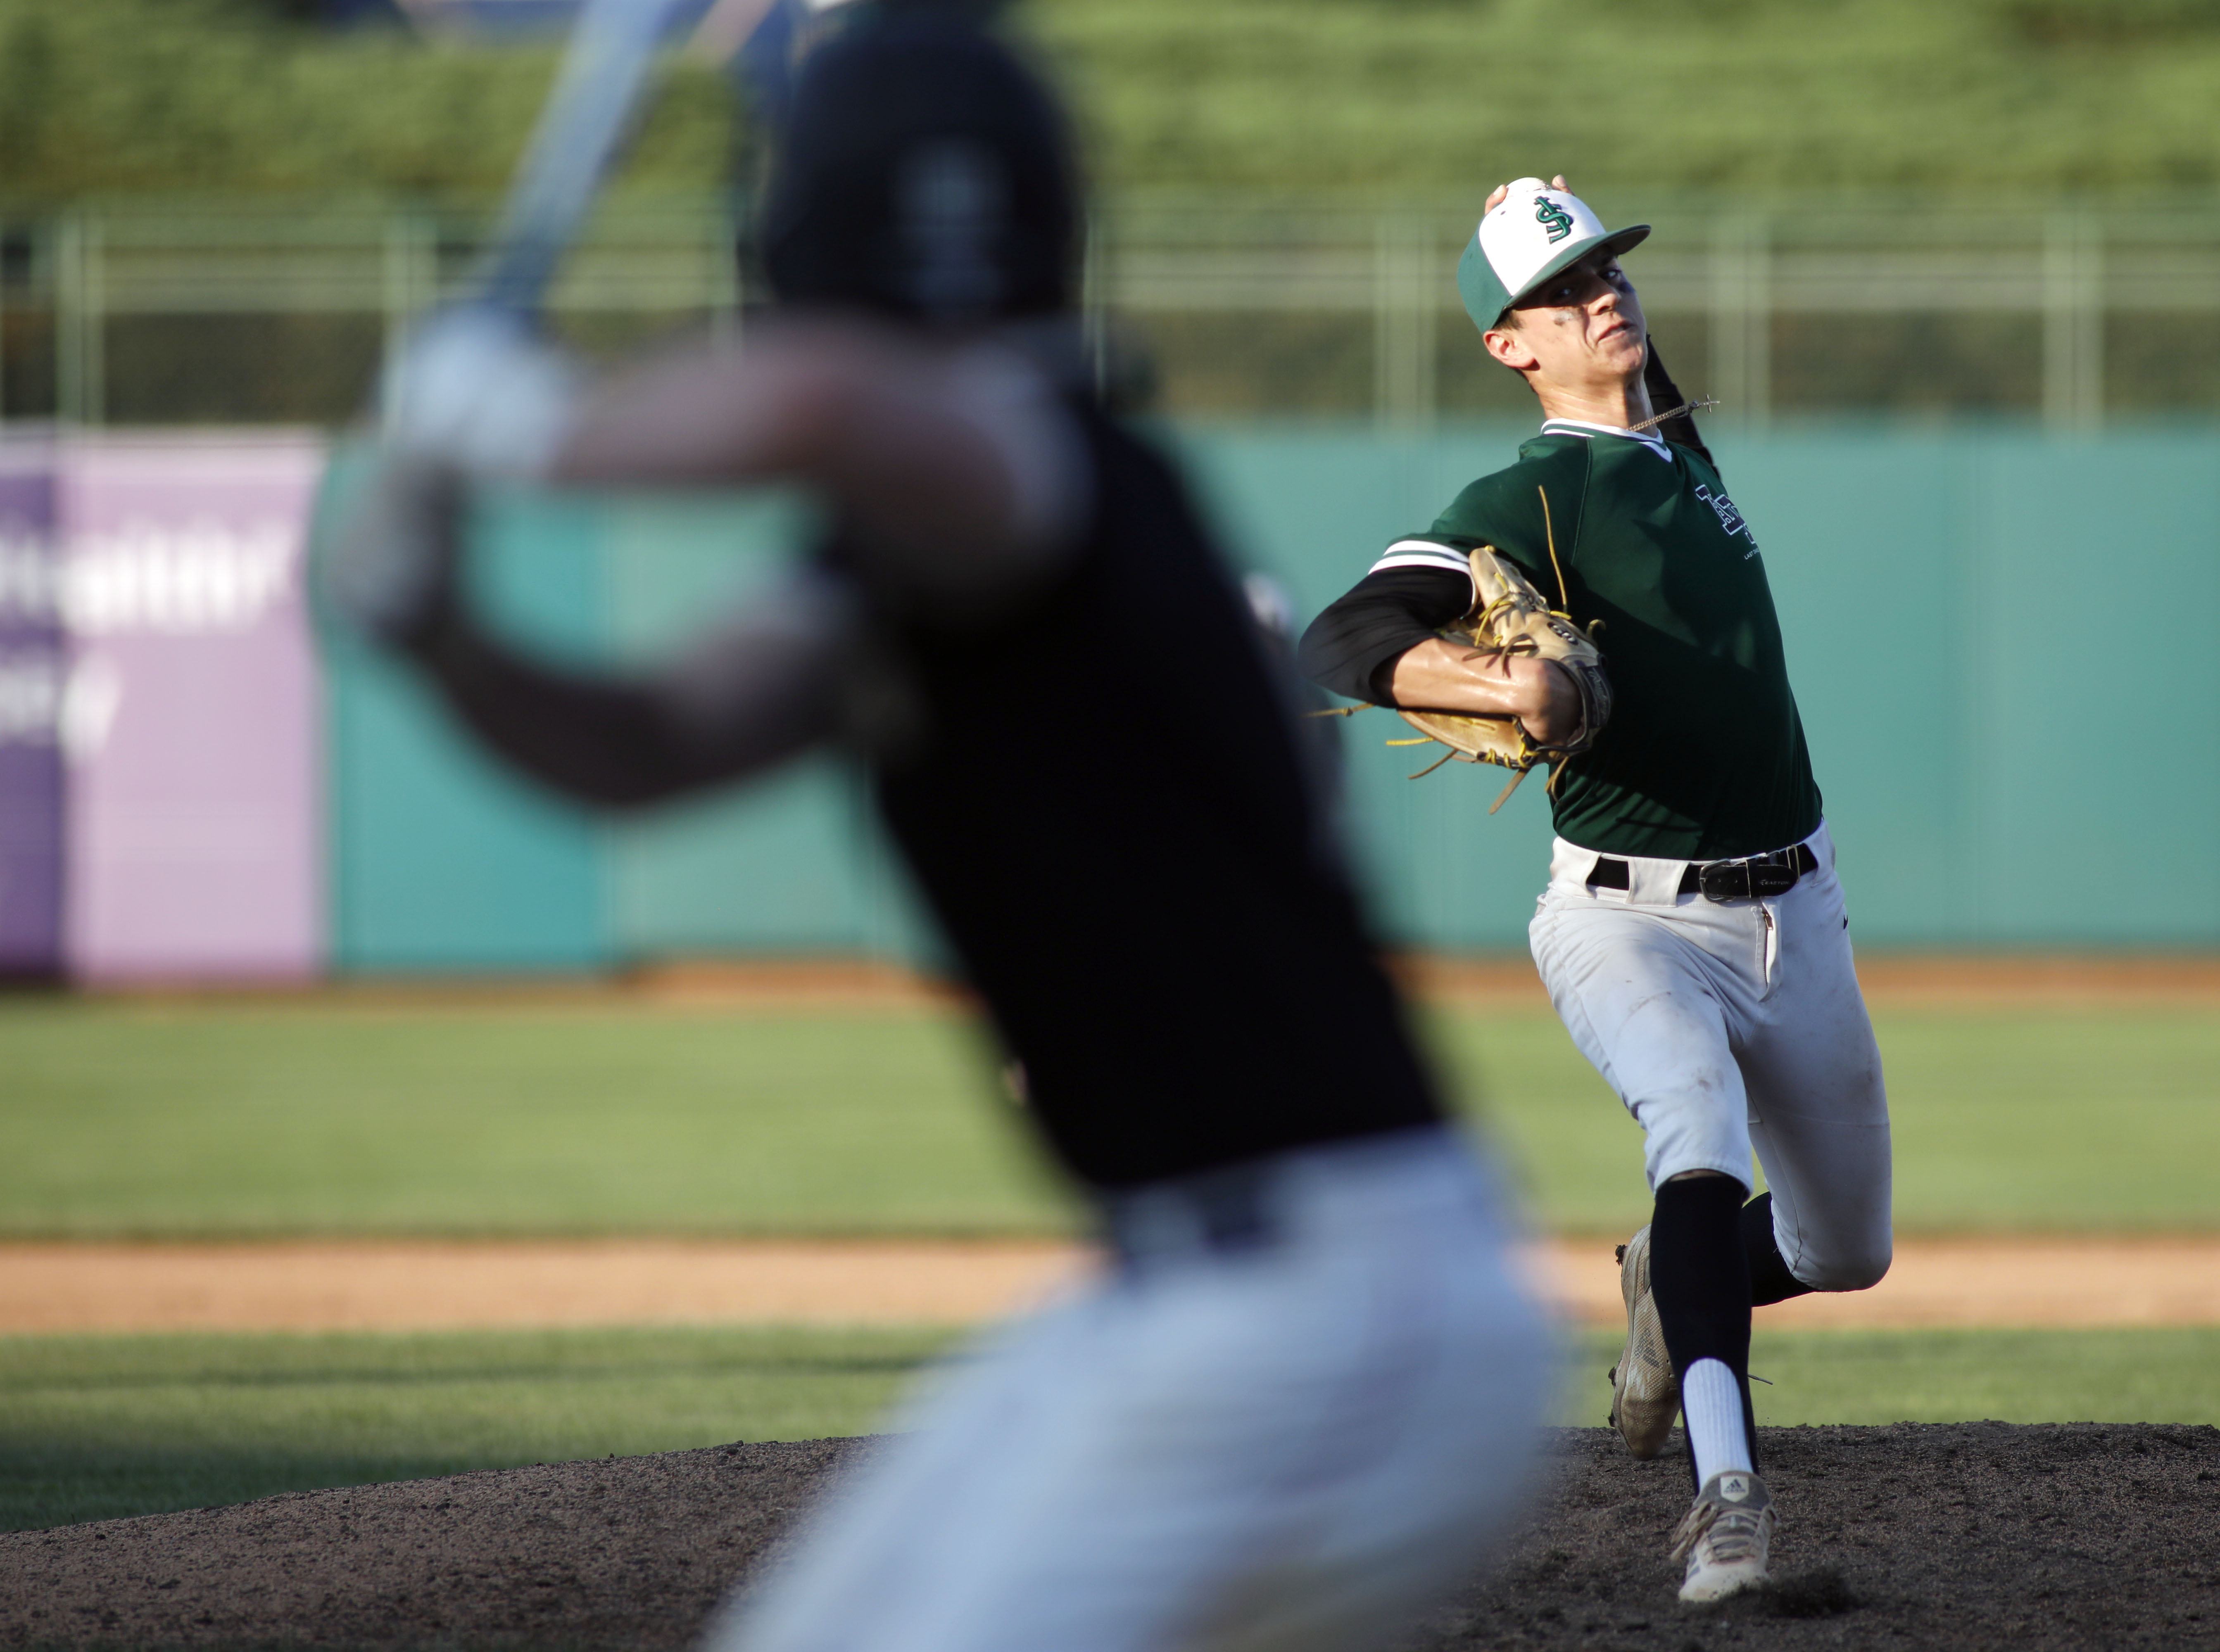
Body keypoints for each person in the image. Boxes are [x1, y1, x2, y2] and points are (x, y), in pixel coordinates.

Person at [326, 9, 1549, 1650]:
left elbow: (836, 406)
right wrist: (445, 637)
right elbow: (647, 741)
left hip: (1334, 1311)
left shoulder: (1037, 461)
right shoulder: (927, 532)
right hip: (1198, 1294)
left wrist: (520, 427)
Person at [1299, 177, 1892, 1605]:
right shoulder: (1528, 492)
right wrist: (1502, 676)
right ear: (1510, 346)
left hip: (1796, 913)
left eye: (1608, 273)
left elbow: (1649, 384)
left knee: (1844, 1248)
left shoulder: (1678, 454)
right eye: (1561, 296)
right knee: (1697, 1132)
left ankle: (1659, 1283)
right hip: (1627, 914)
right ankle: (1725, 1501)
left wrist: (1544, 206)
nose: (1601, 298)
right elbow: (1349, 636)